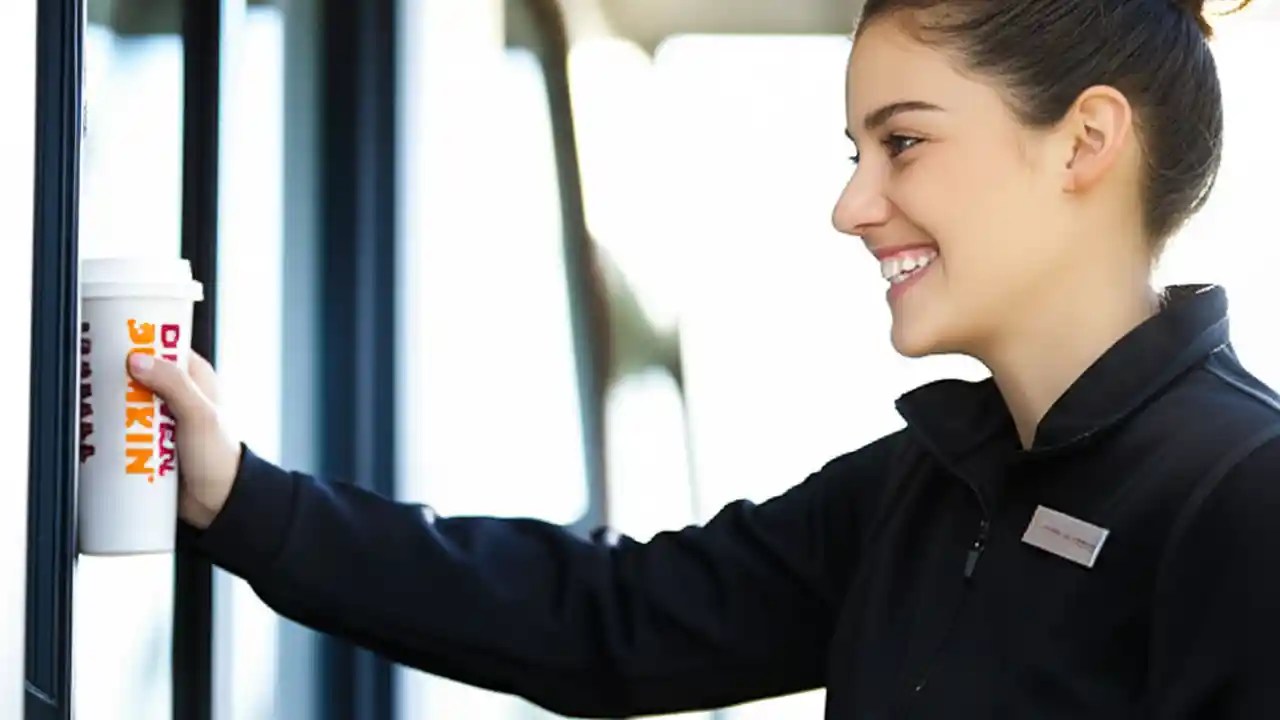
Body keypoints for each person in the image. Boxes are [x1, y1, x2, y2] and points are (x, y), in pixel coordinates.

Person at [128, 0, 1280, 716]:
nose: (851, 204)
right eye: (855, 150)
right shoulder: (921, 488)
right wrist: (243, 500)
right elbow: (606, 622)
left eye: (903, 143)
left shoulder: (1242, 498)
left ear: (1083, 140)